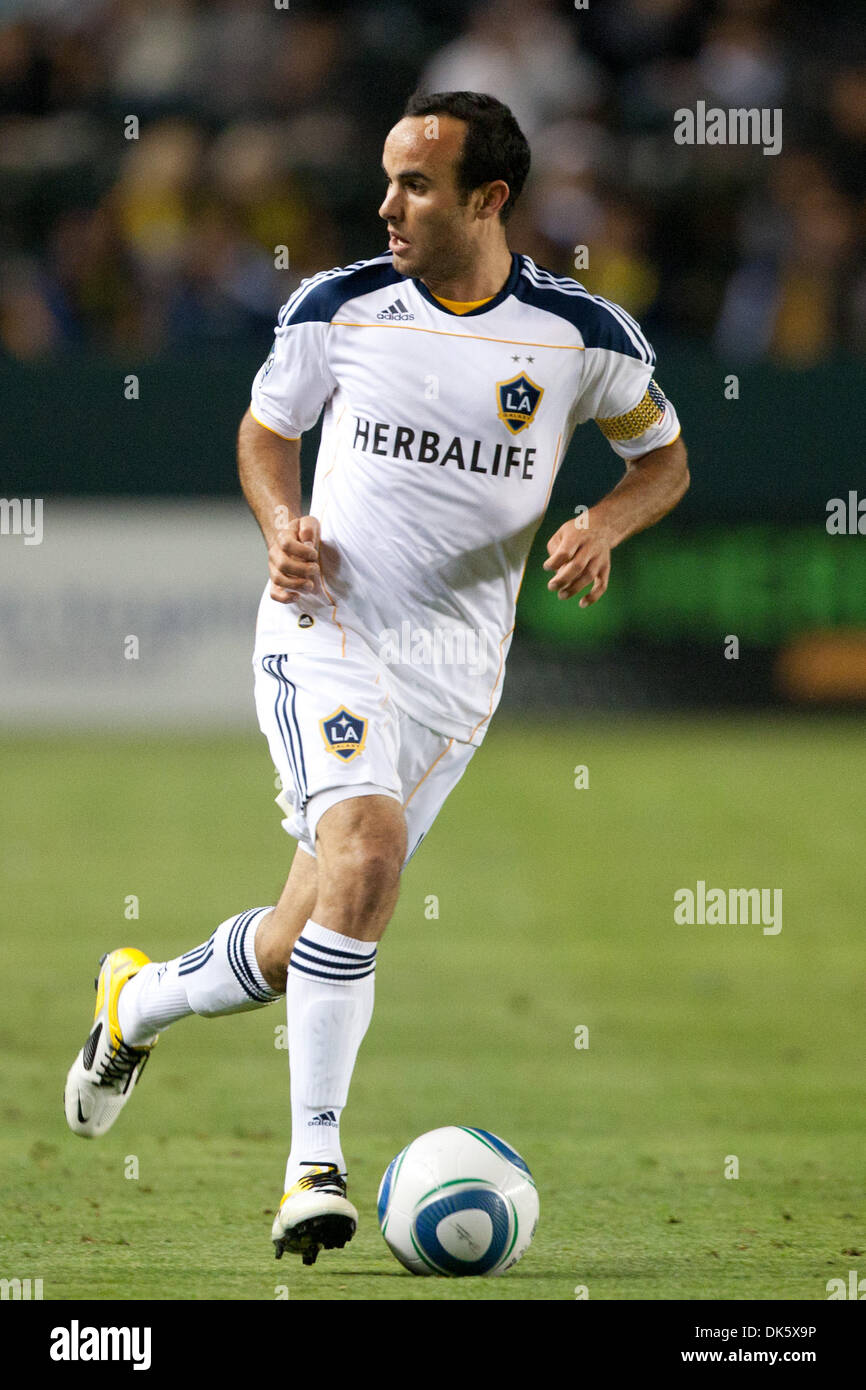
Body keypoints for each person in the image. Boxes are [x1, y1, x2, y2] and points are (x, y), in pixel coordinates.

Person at [64, 90, 689, 1265]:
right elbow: (264, 433)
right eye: (386, 177)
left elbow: (660, 459)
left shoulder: (582, 337)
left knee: (296, 935)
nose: (384, 203)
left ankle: (132, 1001)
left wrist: (603, 522)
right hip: (325, 627)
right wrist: (280, 523)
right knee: (370, 853)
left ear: (487, 200)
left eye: (413, 184)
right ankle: (313, 1165)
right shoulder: (339, 304)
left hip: (456, 678)